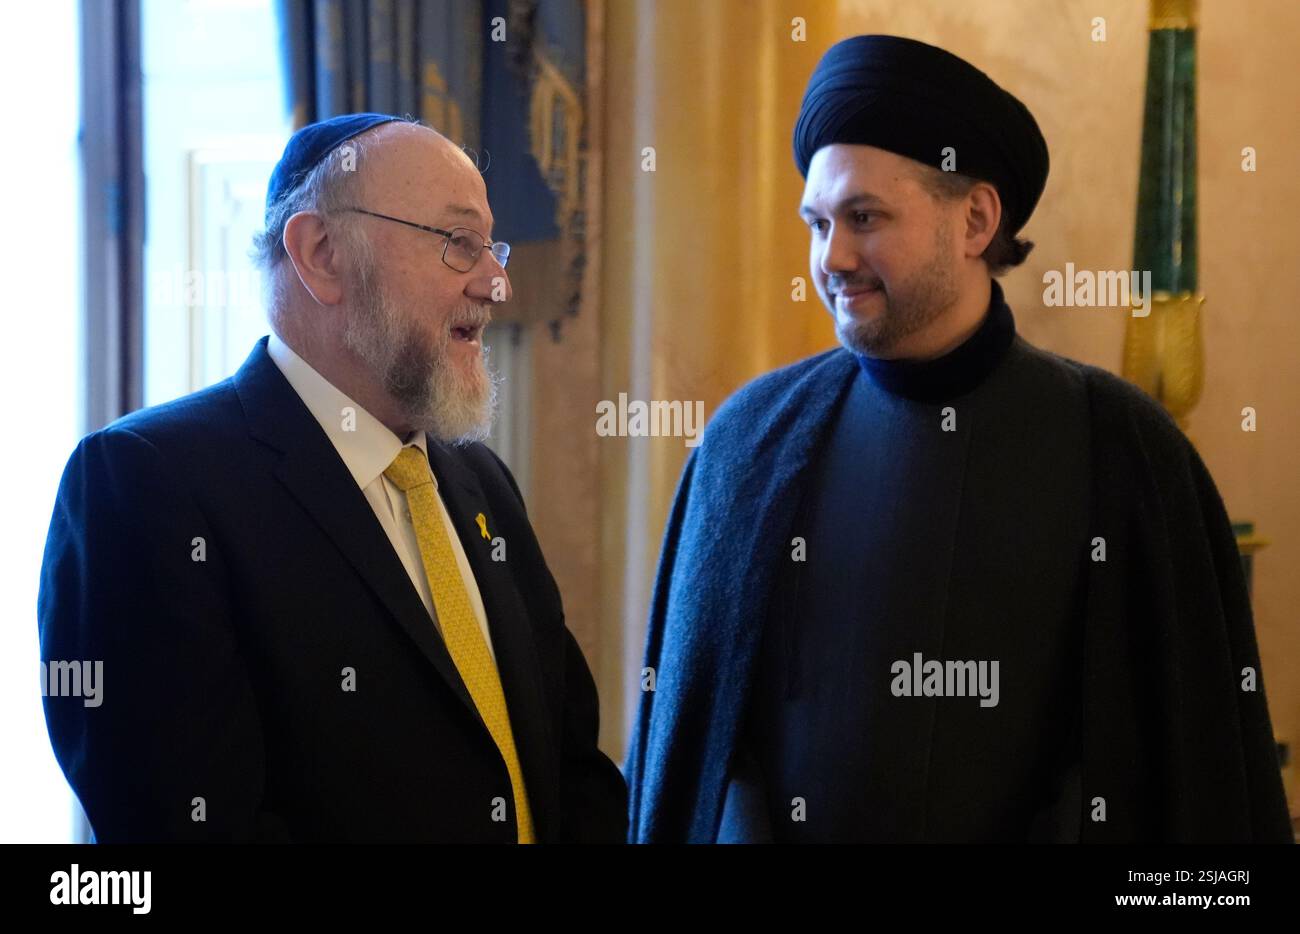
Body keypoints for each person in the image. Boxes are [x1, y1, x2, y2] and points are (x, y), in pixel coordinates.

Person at [625, 36, 1291, 843]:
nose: (831, 257)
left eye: (864, 217)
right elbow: (699, 769)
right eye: (817, 222)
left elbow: (1186, 782)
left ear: (976, 219)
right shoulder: (745, 446)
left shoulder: (1128, 453)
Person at [39, 113, 627, 843]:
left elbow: (570, 770)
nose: (496, 282)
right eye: (458, 243)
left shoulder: (482, 484)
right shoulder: (146, 485)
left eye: (491, 246)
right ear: (322, 254)